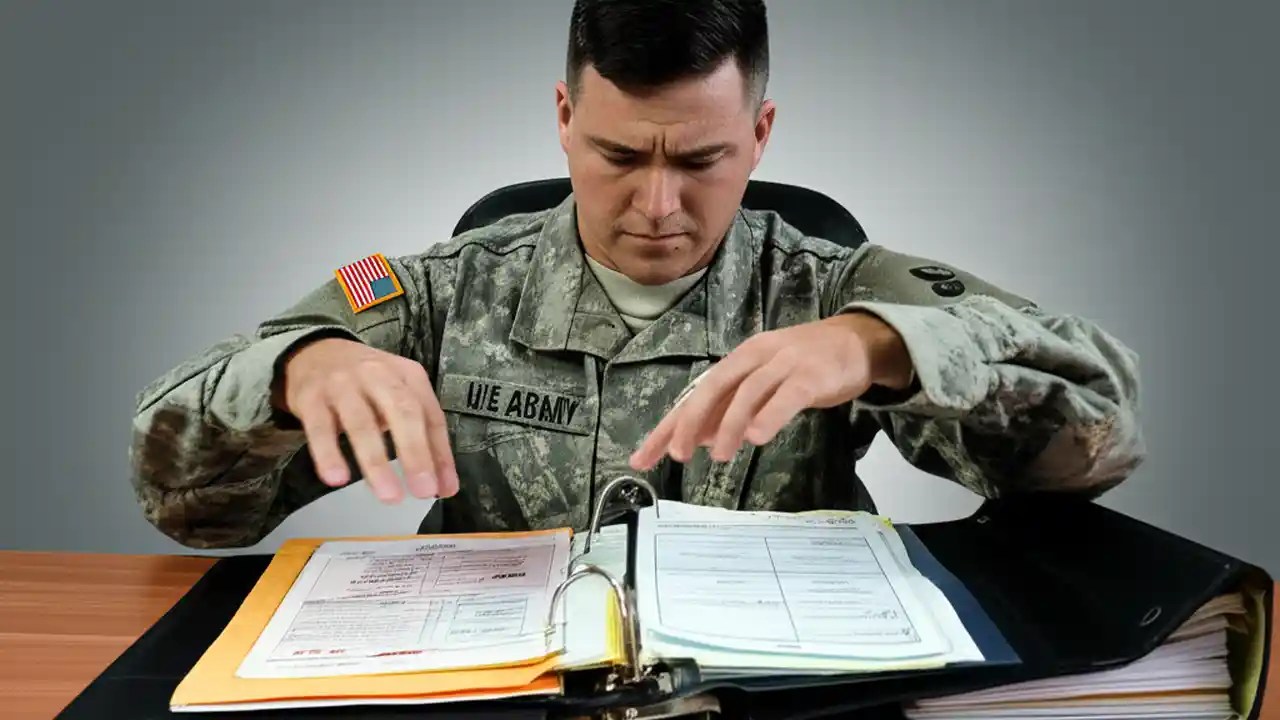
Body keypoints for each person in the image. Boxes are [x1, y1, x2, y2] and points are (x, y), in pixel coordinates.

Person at [129, 0, 1145, 549]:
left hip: (773, 698)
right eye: (619, 157)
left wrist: (884, 347)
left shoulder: (835, 290)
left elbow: (1097, 433)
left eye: (700, 162)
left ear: (758, 134)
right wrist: (295, 369)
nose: (657, 207)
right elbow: (183, 504)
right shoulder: (437, 293)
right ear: (565, 121)